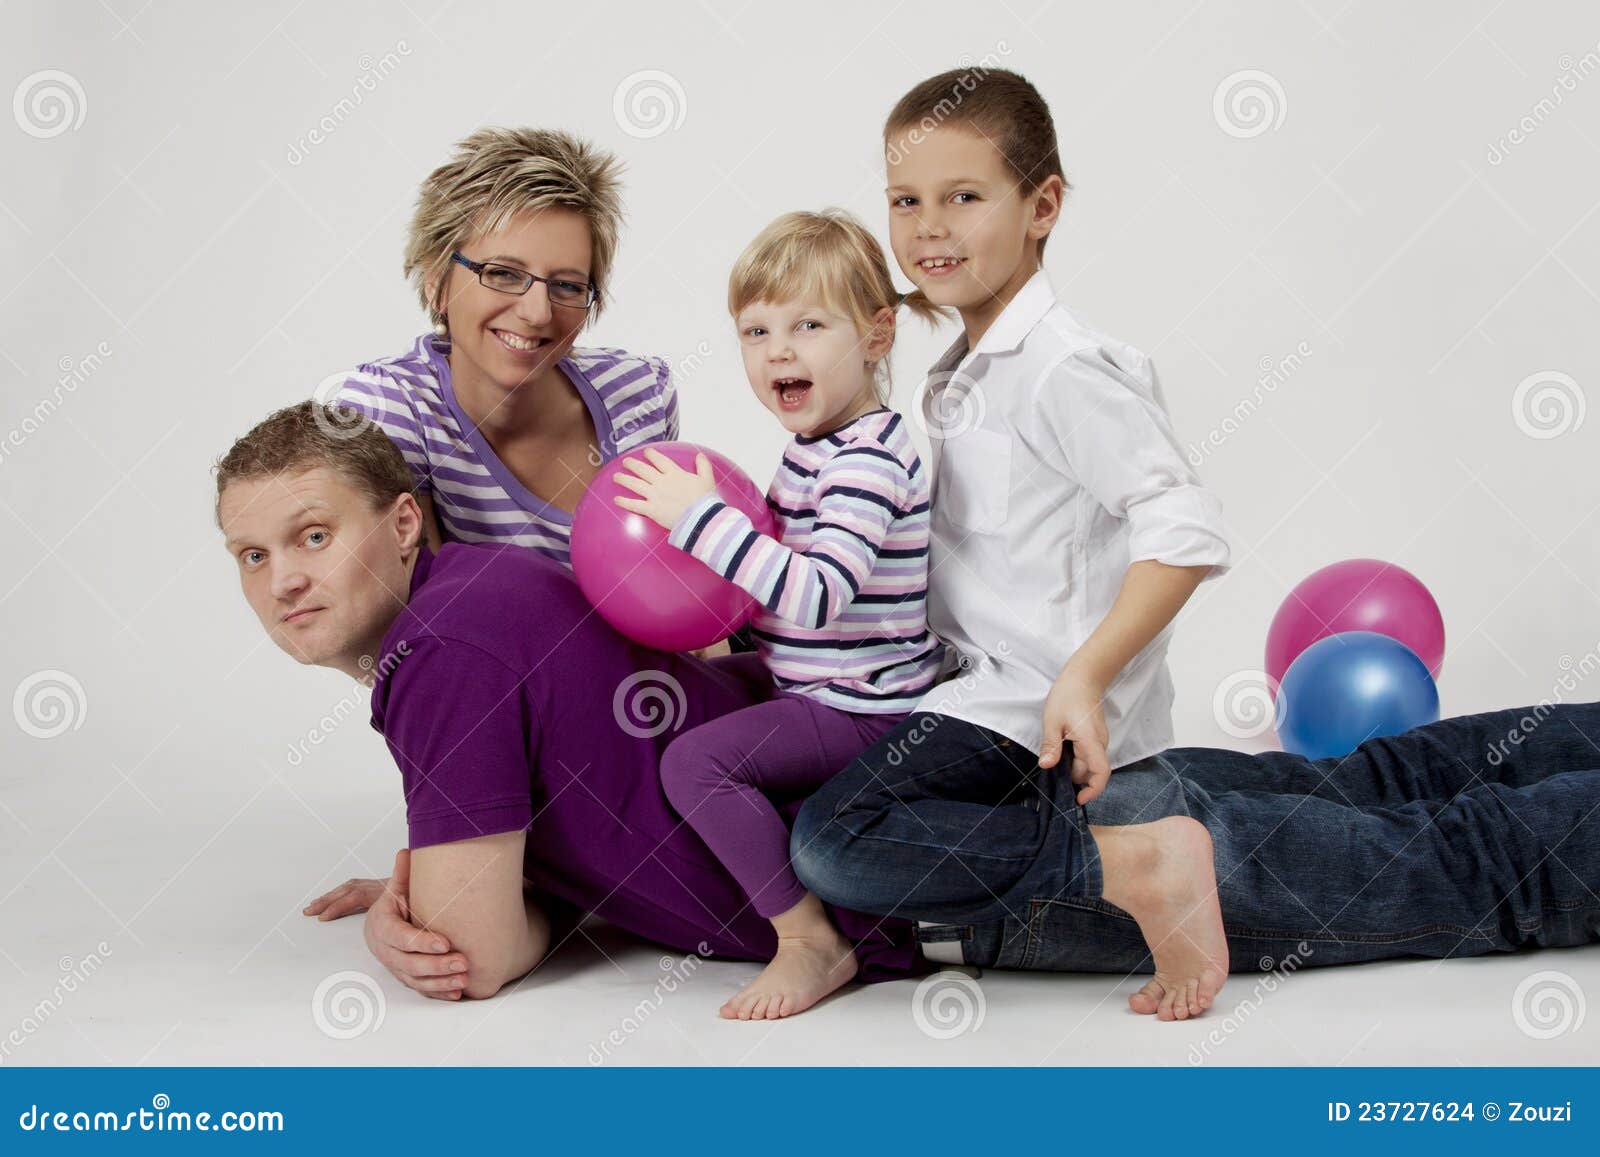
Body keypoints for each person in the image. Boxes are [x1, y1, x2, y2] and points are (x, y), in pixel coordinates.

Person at [791, 68, 1599, 1020]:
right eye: (905, 201)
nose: (928, 227)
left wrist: (1084, 677)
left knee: (1456, 862)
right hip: (1067, 766)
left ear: (1042, 205)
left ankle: (1141, 862)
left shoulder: (1058, 370)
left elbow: (1182, 524)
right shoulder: (966, 374)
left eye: (963, 197)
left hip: (1067, 766)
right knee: (1382, 781)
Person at [215, 402, 925, 1003]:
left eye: (314, 537)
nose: (284, 582)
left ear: (404, 524)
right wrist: (456, 873)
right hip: (891, 827)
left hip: (921, 882)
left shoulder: (439, 653)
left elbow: (470, 954)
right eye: (253, 555)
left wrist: (410, 915)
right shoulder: (479, 583)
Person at [611, 210, 944, 1020]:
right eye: (755, 331)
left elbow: (822, 592)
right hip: (813, 678)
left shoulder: (867, 457)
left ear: (876, 335)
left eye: (808, 325)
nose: (778, 351)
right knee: (675, 688)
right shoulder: (818, 444)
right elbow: (785, 600)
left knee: (694, 764)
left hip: (866, 706)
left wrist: (700, 520)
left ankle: (808, 940)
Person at [330, 126, 678, 566]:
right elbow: (427, 615)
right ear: (438, 282)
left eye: (567, 285)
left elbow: (678, 595)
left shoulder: (640, 393)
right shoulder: (392, 409)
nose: (537, 312)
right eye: (503, 273)